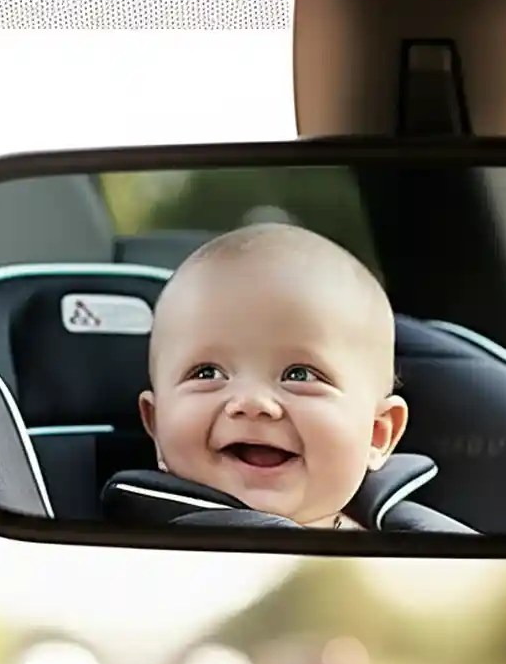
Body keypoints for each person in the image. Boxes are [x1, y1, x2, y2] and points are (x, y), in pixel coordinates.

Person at [136, 222, 409, 530]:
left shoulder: (409, 554)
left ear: (376, 434)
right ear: (156, 425)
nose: (252, 403)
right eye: (208, 372)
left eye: (300, 375)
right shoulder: (125, 553)